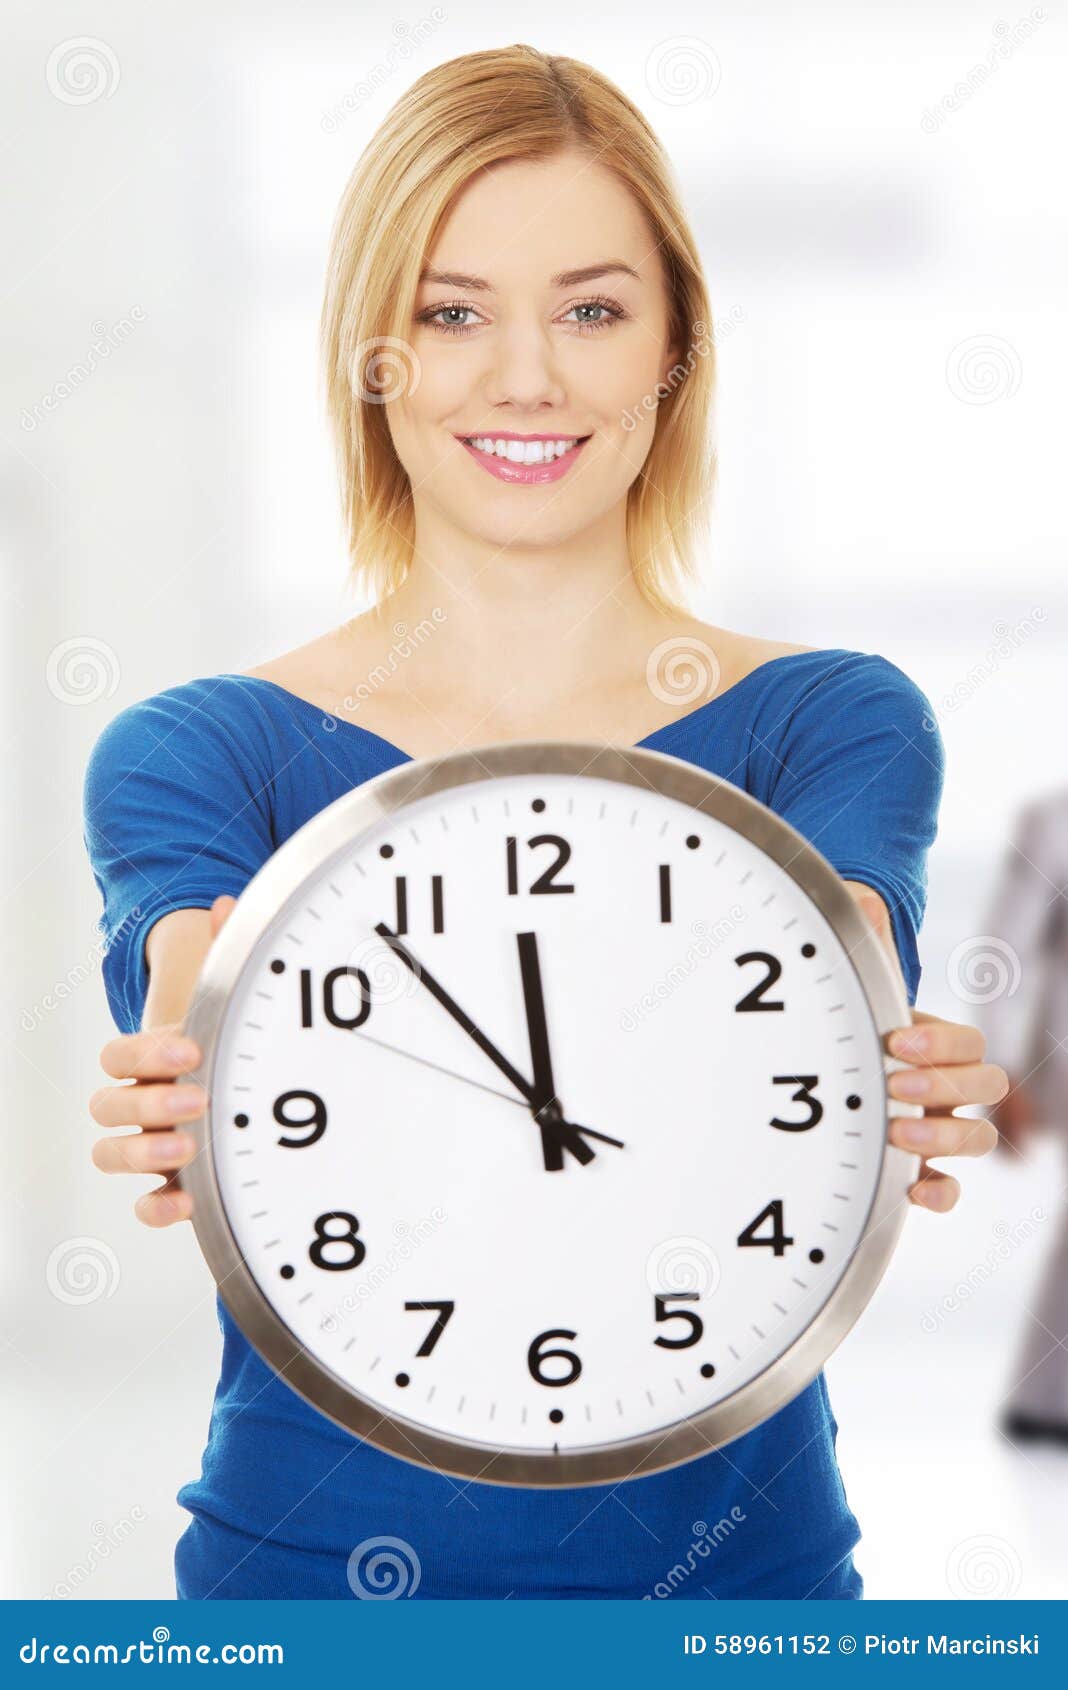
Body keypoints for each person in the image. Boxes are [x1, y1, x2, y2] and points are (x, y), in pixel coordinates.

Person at [82, 44, 1007, 1600]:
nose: (526, 377)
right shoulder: (199, 747)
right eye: (453, 313)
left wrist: (883, 1057)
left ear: (674, 352)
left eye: (592, 308)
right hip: (307, 1605)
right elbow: (196, 960)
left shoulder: (829, 719)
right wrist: (195, 1044)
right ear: (376, 355)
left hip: (739, 1607)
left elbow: (845, 940)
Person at [978, 789, 1068, 1446]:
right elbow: (1005, 950)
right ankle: (1046, 1405)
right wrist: (1002, 1065)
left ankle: (1046, 1403)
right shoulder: (1054, 821)